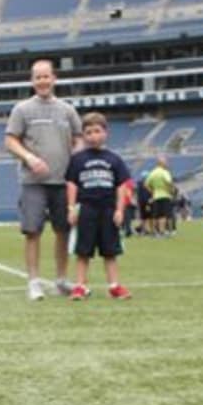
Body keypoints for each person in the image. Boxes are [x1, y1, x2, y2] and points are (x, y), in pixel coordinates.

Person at [4, 58, 82, 300]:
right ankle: (34, 281)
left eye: (46, 76)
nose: (42, 81)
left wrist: (77, 154)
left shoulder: (67, 110)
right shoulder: (22, 109)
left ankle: (61, 279)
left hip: (62, 182)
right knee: (32, 232)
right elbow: (10, 140)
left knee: (63, 231)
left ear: (54, 78)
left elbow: (79, 137)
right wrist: (29, 157)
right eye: (38, 77)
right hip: (33, 182)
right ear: (32, 80)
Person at [64, 112, 133, 301]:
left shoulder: (114, 159)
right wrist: (71, 208)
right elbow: (72, 184)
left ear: (105, 132)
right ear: (83, 135)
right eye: (88, 132)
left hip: (108, 209)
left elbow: (121, 186)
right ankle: (80, 286)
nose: (93, 136)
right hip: (86, 209)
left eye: (97, 131)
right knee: (83, 251)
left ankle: (114, 285)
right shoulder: (77, 159)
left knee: (110, 251)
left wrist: (120, 210)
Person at [143, 156, 175, 237]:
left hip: (156, 196)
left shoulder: (152, 172)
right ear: (162, 163)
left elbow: (146, 184)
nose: (167, 163)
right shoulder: (164, 172)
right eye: (166, 162)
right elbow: (168, 181)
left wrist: (153, 191)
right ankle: (162, 231)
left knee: (156, 215)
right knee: (163, 215)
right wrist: (171, 190)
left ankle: (155, 232)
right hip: (164, 195)